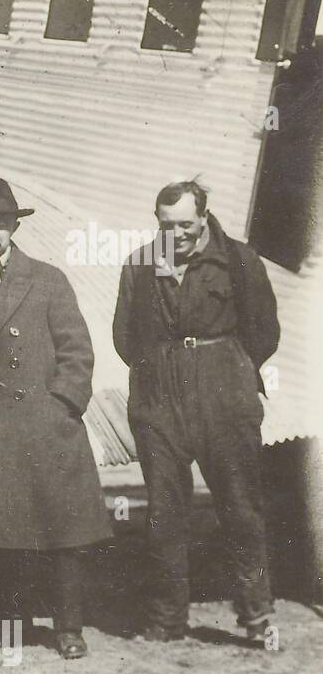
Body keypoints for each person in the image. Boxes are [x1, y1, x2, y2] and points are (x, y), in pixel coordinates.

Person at [0, 179, 112, 659]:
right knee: (5, 533)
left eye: (1, 224)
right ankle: (14, 623)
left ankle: (68, 626)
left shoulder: (48, 278)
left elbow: (77, 351)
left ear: (15, 226)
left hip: (47, 423)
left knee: (62, 532)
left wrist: (63, 406)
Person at [113, 180, 280, 644]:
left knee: (241, 506)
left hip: (225, 392)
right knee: (165, 512)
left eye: (186, 223)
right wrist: (161, 374)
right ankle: (168, 618)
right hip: (159, 398)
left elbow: (264, 330)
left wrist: (230, 369)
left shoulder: (240, 260)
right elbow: (125, 337)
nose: (177, 233)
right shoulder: (140, 264)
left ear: (203, 217)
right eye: (167, 224)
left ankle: (257, 613)